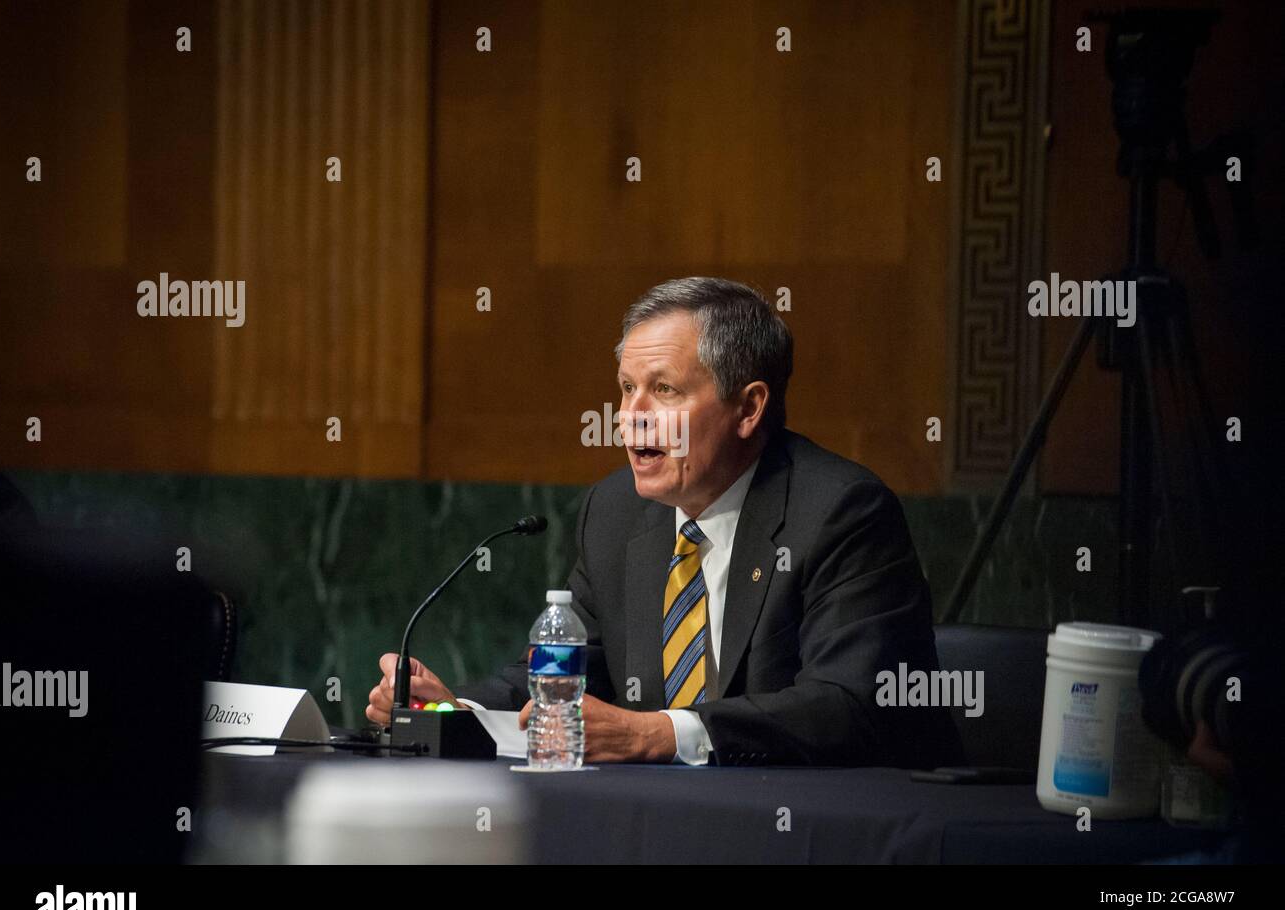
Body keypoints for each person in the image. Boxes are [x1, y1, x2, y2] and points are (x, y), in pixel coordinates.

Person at [367, 277, 963, 768]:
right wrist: (461, 713)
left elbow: (849, 705)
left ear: (749, 408)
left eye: (663, 390)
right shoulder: (617, 512)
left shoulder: (841, 511)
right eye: (626, 390)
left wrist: (660, 733)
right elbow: (572, 671)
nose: (630, 419)